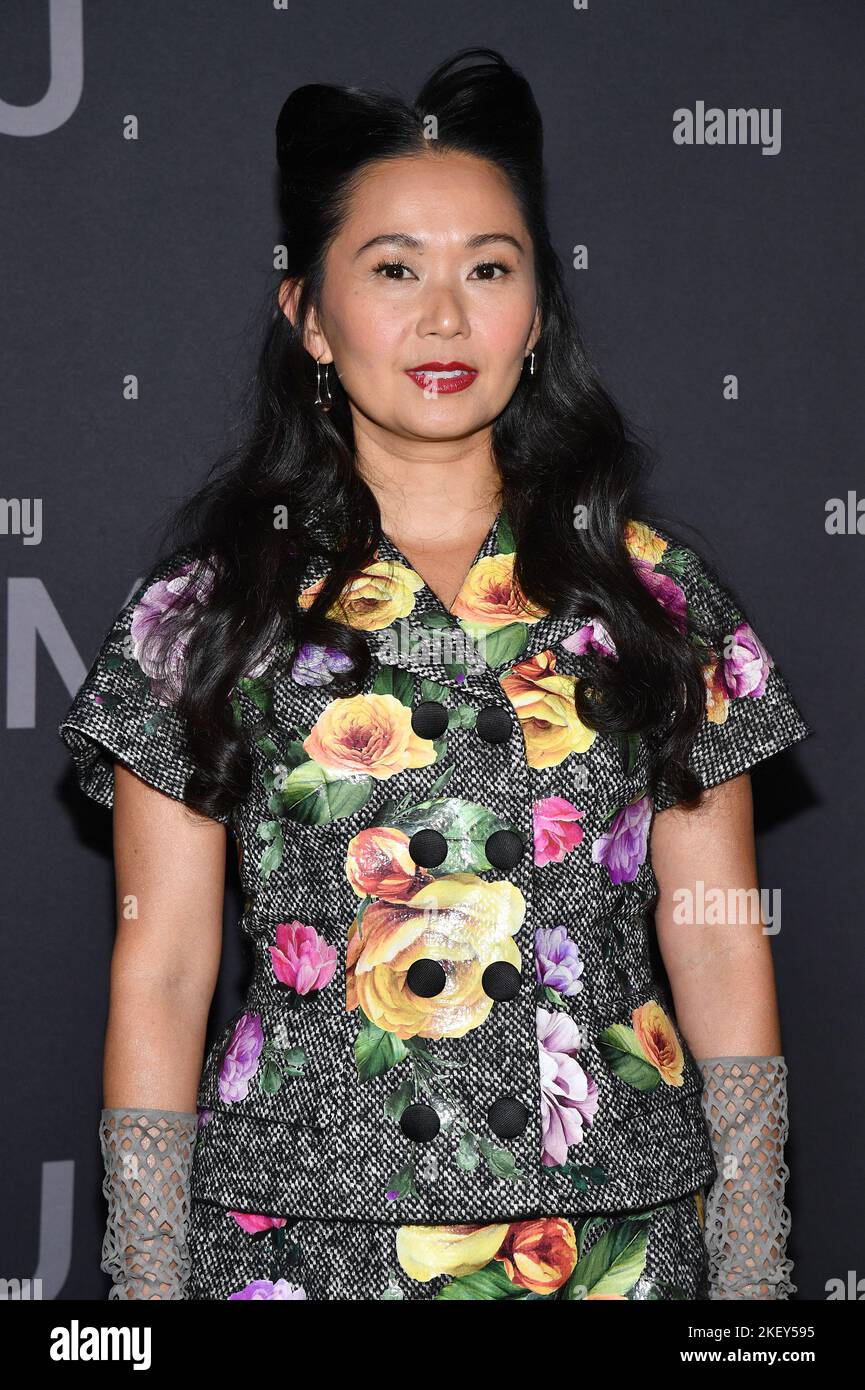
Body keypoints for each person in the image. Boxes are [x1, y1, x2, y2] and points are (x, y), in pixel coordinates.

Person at [59, 48, 813, 1301]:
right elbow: (166, 963)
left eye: (489, 269)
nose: (446, 316)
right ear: (307, 313)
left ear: (537, 311)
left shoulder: (655, 595)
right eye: (395, 268)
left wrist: (750, 1270)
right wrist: (145, 1286)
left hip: (609, 1234)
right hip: (301, 1239)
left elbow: (722, 941)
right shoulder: (202, 613)